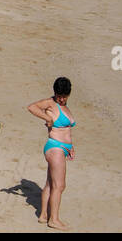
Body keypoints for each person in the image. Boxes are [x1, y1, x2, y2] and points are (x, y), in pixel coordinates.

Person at [27, 77, 75, 230]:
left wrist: (71, 146)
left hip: (62, 147)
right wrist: (47, 117)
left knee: (50, 183)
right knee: (59, 185)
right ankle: (54, 219)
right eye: (59, 96)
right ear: (55, 93)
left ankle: (43, 215)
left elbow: (67, 130)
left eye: (64, 96)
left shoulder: (64, 105)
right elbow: (32, 107)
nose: (61, 99)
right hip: (55, 147)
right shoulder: (50, 103)